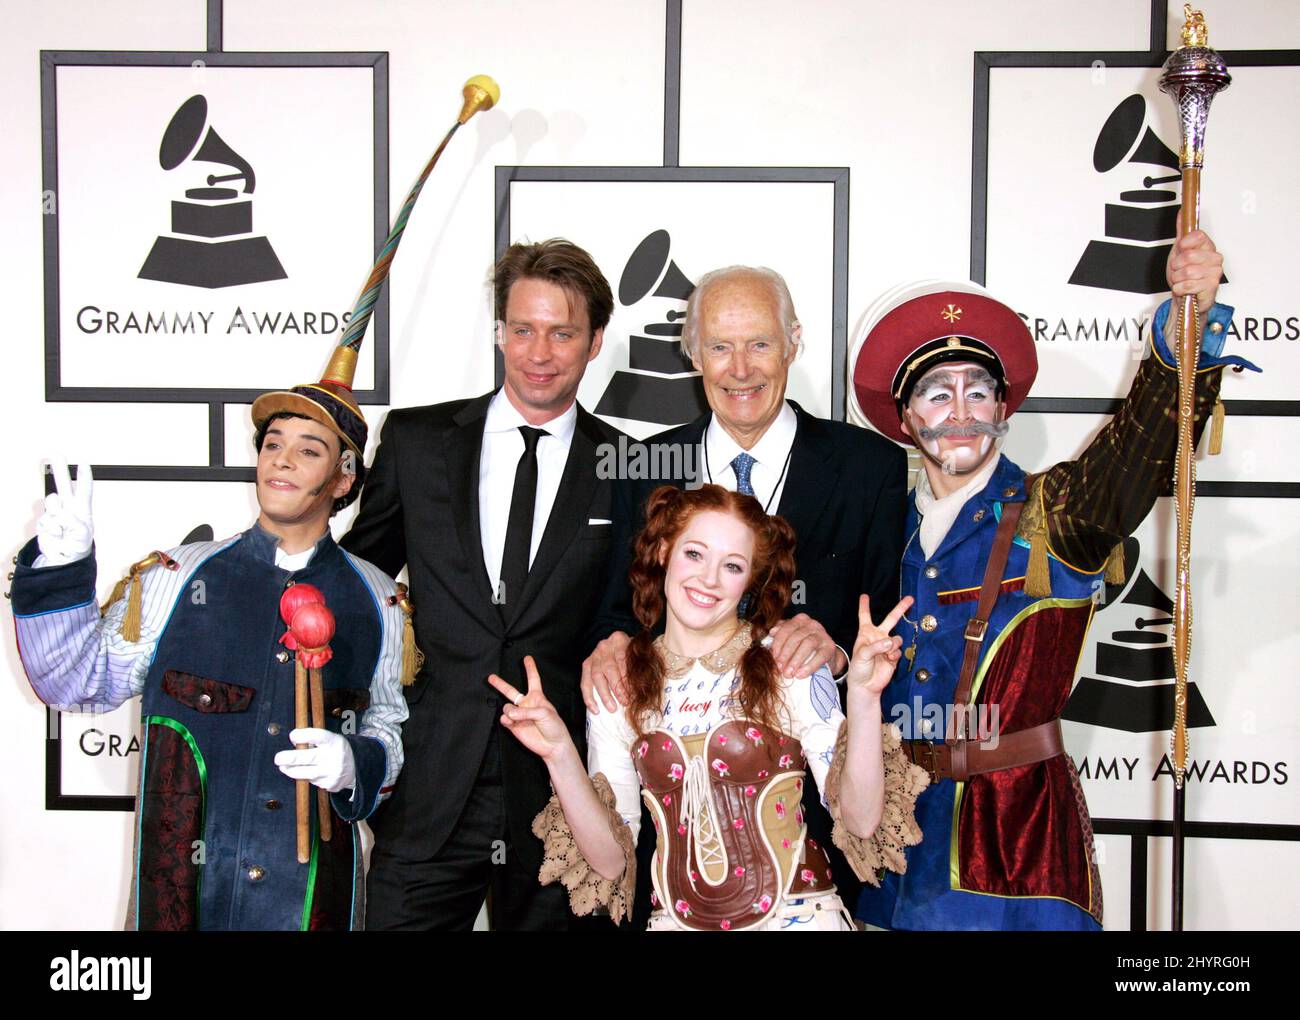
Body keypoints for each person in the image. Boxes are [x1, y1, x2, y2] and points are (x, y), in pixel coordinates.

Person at [849, 229, 1257, 930]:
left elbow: (1138, 454)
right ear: (906, 418)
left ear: (1003, 411)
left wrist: (1185, 325)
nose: (962, 412)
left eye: (979, 392)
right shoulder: (884, 524)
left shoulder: (1056, 509)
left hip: (1016, 853)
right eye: (937, 395)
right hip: (890, 844)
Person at [9, 363, 410, 930]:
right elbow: (75, 684)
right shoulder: (175, 576)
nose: (282, 460)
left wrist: (355, 766)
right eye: (273, 444)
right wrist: (59, 570)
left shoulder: (381, 602)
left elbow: (390, 731)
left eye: (308, 450)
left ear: (344, 478)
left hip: (314, 905)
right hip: (181, 905)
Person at [584, 265, 908, 912]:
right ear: (692, 352)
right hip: (679, 843)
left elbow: (890, 618)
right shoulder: (644, 470)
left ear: (795, 340)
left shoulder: (871, 466)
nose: (740, 369)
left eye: (759, 343)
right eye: (719, 346)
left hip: (816, 830)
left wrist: (838, 652)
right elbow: (620, 609)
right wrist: (608, 642)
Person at [341, 238, 624, 929]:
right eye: (522, 329)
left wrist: (621, 636)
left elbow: (636, 608)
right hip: (432, 781)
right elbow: (355, 577)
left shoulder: (630, 465)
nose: (539, 352)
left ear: (594, 343)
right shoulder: (416, 440)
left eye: (563, 333)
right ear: (499, 333)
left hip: (566, 795)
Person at [489, 484, 927, 930]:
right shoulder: (621, 680)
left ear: (751, 579)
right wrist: (559, 753)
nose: (709, 579)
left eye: (732, 566)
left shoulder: (788, 661)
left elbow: (862, 818)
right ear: (663, 551)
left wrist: (865, 697)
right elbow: (608, 863)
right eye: (694, 554)